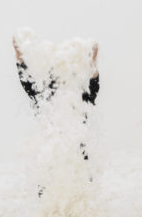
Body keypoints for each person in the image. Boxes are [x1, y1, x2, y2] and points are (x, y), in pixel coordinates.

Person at [13, 37, 100, 196]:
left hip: (78, 160)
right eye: (59, 79)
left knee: (83, 198)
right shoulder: (45, 102)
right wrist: (18, 54)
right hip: (51, 162)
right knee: (48, 197)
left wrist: (92, 60)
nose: (64, 82)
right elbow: (27, 83)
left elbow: (94, 84)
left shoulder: (81, 100)